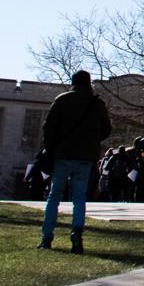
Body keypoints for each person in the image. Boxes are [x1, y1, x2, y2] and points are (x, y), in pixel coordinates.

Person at [37, 69, 112, 252]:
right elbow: (106, 129)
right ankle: (76, 233)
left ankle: (46, 238)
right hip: (85, 157)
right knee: (79, 197)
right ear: (89, 84)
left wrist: (51, 147)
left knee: (54, 196)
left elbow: (48, 128)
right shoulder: (96, 104)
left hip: (62, 155)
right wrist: (92, 140)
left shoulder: (62, 100)